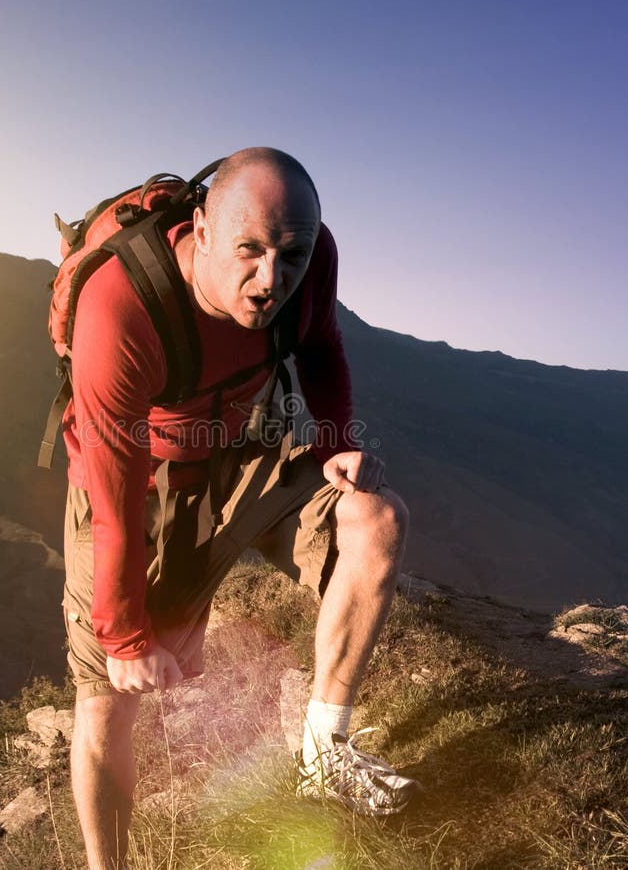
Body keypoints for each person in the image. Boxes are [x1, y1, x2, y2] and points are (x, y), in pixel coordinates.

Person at [60, 147, 417, 869]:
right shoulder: (122, 307)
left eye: (291, 255)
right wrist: (126, 633)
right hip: (137, 473)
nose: (271, 280)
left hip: (238, 448)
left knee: (375, 520)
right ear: (201, 227)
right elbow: (116, 492)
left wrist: (337, 442)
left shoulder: (309, 259)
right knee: (105, 696)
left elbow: (319, 345)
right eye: (249, 251)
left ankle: (326, 749)